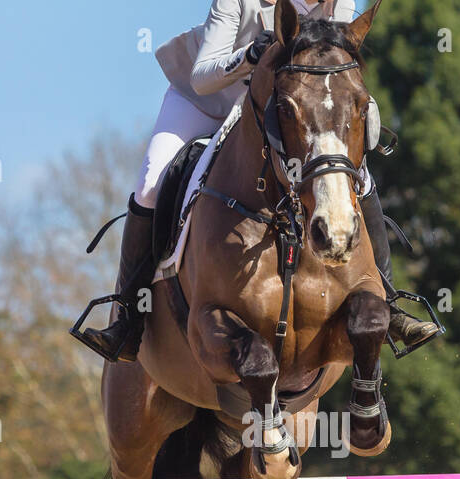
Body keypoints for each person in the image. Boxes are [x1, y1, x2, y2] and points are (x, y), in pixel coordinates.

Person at [76, 0, 441, 364]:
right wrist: (251, 54)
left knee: (356, 176)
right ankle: (128, 316)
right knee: (151, 184)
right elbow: (202, 78)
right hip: (206, 100)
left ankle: (390, 302)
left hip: (282, 105)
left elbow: (332, 67)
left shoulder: (341, 2)